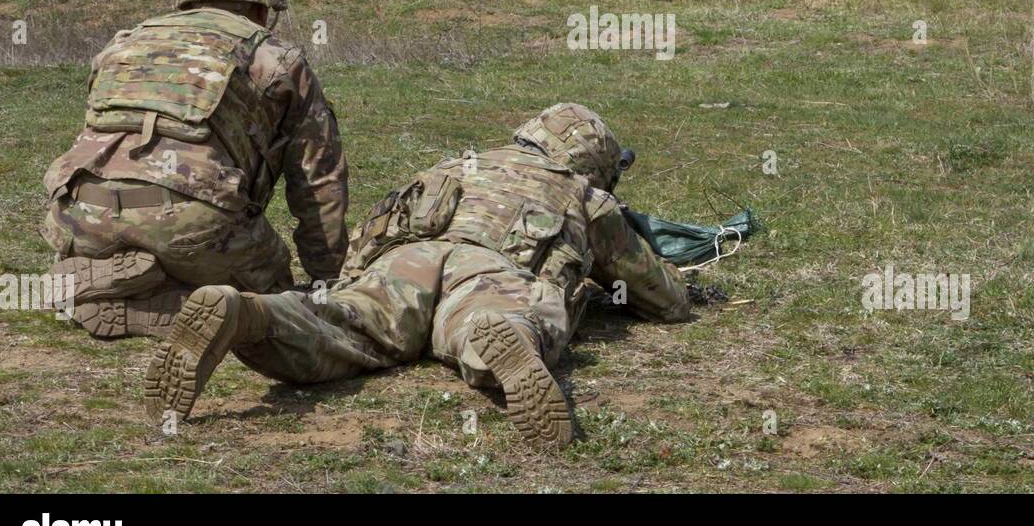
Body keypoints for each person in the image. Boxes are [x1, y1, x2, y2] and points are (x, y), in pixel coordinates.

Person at [144, 103, 689, 448]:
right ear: (594, 162)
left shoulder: (455, 166)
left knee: (344, 322)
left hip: (407, 261)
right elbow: (658, 296)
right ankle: (505, 339)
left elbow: (374, 235)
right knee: (492, 318)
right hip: (494, 272)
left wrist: (355, 280)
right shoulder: (586, 195)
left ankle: (251, 311)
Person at [41, 0, 349, 339]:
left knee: (165, 242)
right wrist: (326, 276)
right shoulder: (276, 59)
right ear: (264, 0)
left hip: (79, 217)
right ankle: (180, 298)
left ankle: (118, 281)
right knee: (272, 298)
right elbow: (317, 179)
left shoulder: (124, 42)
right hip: (190, 225)